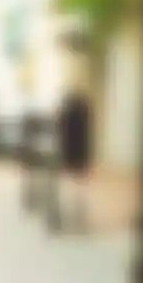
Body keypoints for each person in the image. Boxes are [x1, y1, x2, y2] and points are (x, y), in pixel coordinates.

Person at [56, 88, 92, 233]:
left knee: (69, 187)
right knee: (79, 188)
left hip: (68, 155)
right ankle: (80, 218)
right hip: (80, 155)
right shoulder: (84, 115)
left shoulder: (65, 114)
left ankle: (71, 217)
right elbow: (88, 136)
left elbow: (60, 132)